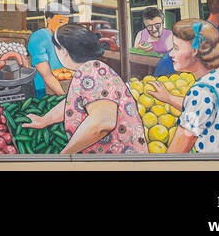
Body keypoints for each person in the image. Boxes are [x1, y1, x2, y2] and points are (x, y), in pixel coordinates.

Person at [23, 23, 145, 154]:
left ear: (63, 51)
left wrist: (65, 154)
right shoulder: (87, 69)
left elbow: (103, 123)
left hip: (120, 160)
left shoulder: (92, 71)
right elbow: (74, 102)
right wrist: (45, 120)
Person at [147, 19, 219, 154]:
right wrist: (169, 98)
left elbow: (181, 145)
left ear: (195, 51)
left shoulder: (201, 92)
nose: (171, 54)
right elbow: (201, 108)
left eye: (176, 48)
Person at [27, 7, 71, 97]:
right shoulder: (38, 37)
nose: (63, 27)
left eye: (66, 23)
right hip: (43, 90)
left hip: (64, 86)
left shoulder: (63, 38)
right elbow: (46, 74)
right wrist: (64, 98)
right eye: (60, 22)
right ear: (49, 20)